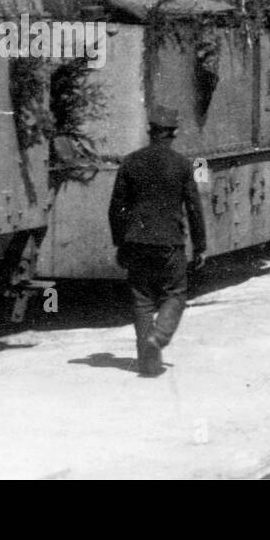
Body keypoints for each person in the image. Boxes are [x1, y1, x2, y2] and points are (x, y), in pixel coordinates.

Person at [108, 104, 207, 378]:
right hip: (169, 243)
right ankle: (159, 337)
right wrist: (200, 246)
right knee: (175, 293)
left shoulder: (130, 162)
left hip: (136, 242)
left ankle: (148, 365)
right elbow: (194, 208)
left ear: (150, 132)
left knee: (142, 301)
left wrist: (120, 242)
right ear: (173, 133)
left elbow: (116, 207)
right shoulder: (182, 164)